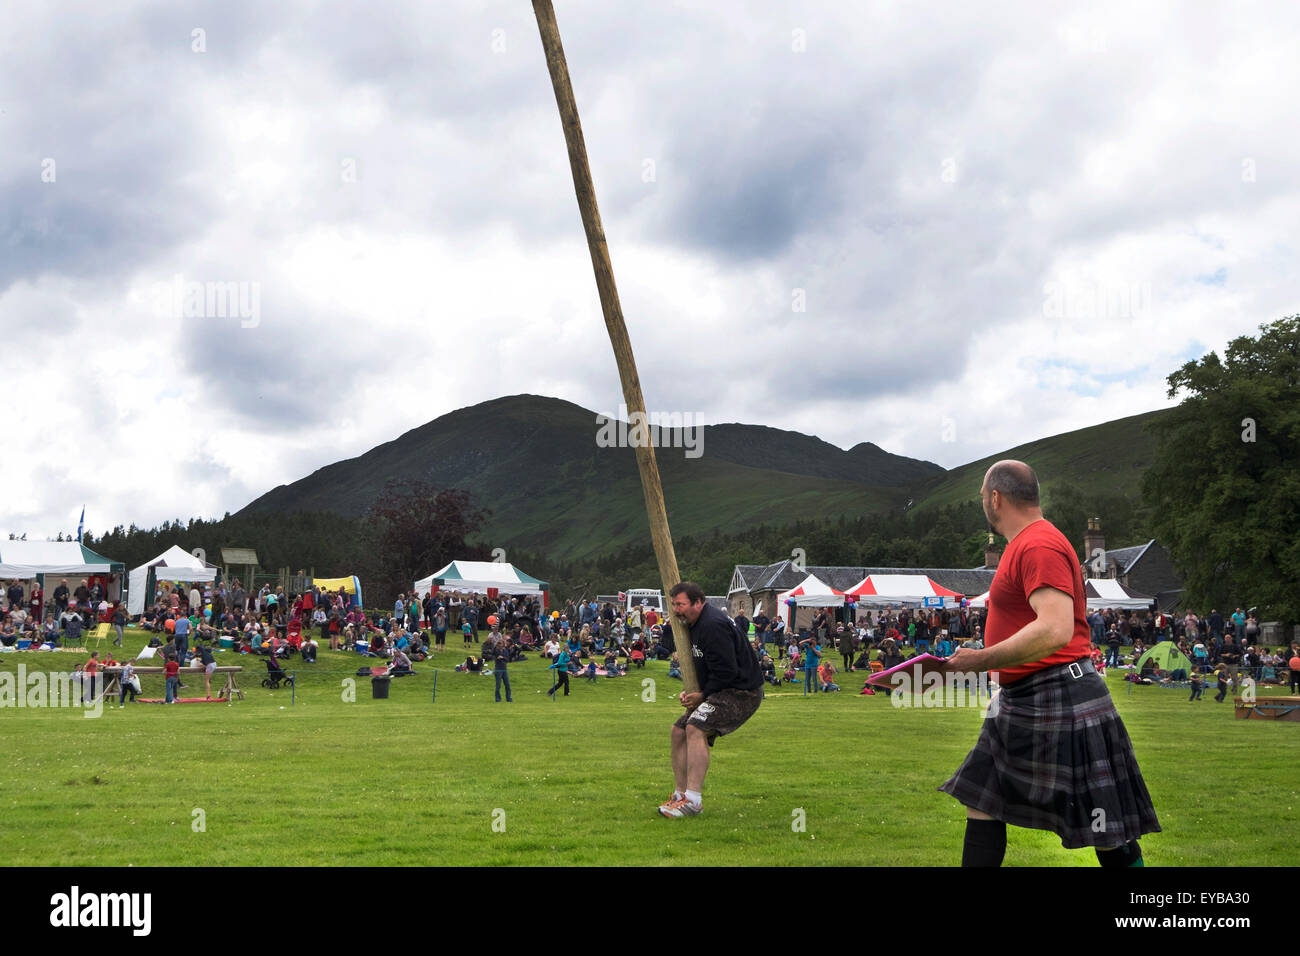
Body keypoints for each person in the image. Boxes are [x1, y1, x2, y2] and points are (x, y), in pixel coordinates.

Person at [939, 461, 1160, 867]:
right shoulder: (1027, 543)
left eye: (982, 498)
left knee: (1107, 828)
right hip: (1027, 695)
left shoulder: (1037, 544)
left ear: (995, 498)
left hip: (1060, 691)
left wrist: (981, 660)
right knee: (982, 797)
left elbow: (1055, 629)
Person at [656, 582, 763, 819]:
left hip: (742, 692)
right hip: (720, 690)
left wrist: (702, 695)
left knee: (695, 727)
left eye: (681, 604)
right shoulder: (693, 625)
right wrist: (693, 691)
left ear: (698, 602)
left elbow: (727, 670)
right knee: (678, 731)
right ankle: (679, 795)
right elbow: (708, 666)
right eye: (673, 604)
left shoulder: (713, 625)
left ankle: (693, 801)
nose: (676, 610)